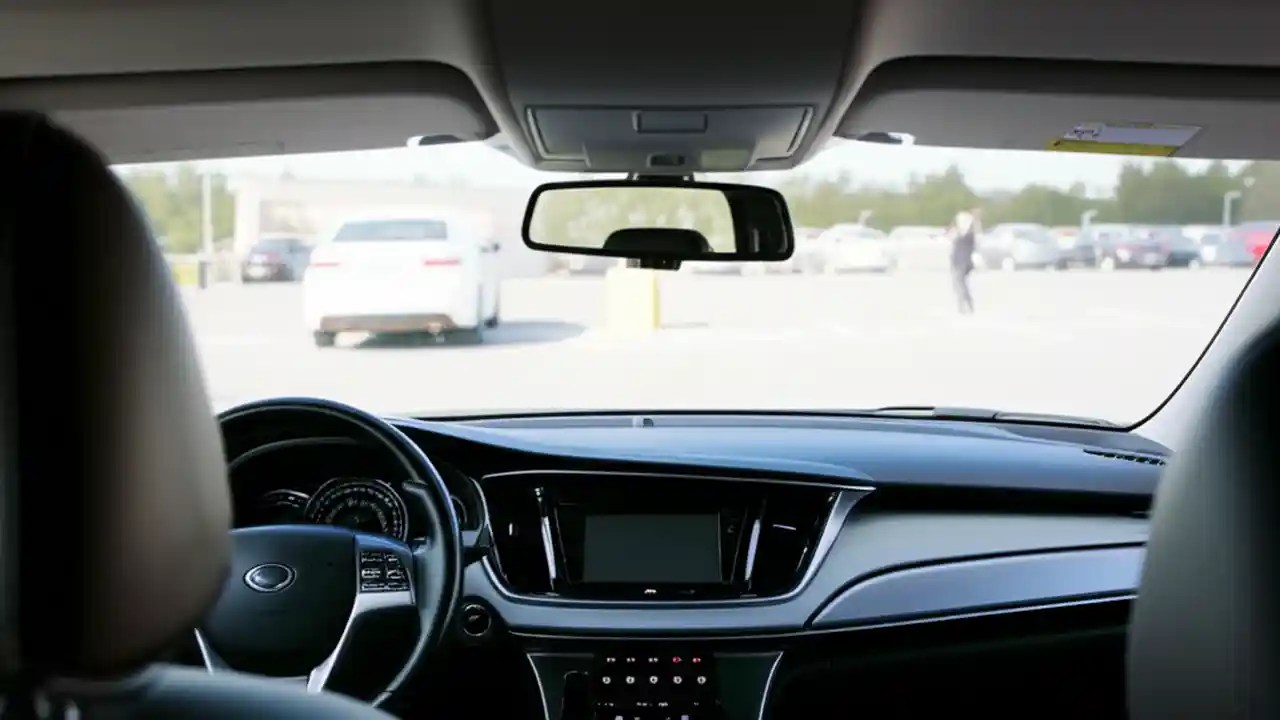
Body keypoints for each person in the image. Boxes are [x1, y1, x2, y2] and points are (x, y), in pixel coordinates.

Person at [949, 208, 980, 314]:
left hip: (962, 262)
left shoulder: (967, 236)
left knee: (960, 284)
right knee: (960, 284)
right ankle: (965, 306)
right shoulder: (966, 235)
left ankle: (965, 306)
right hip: (960, 262)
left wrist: (975, 220)